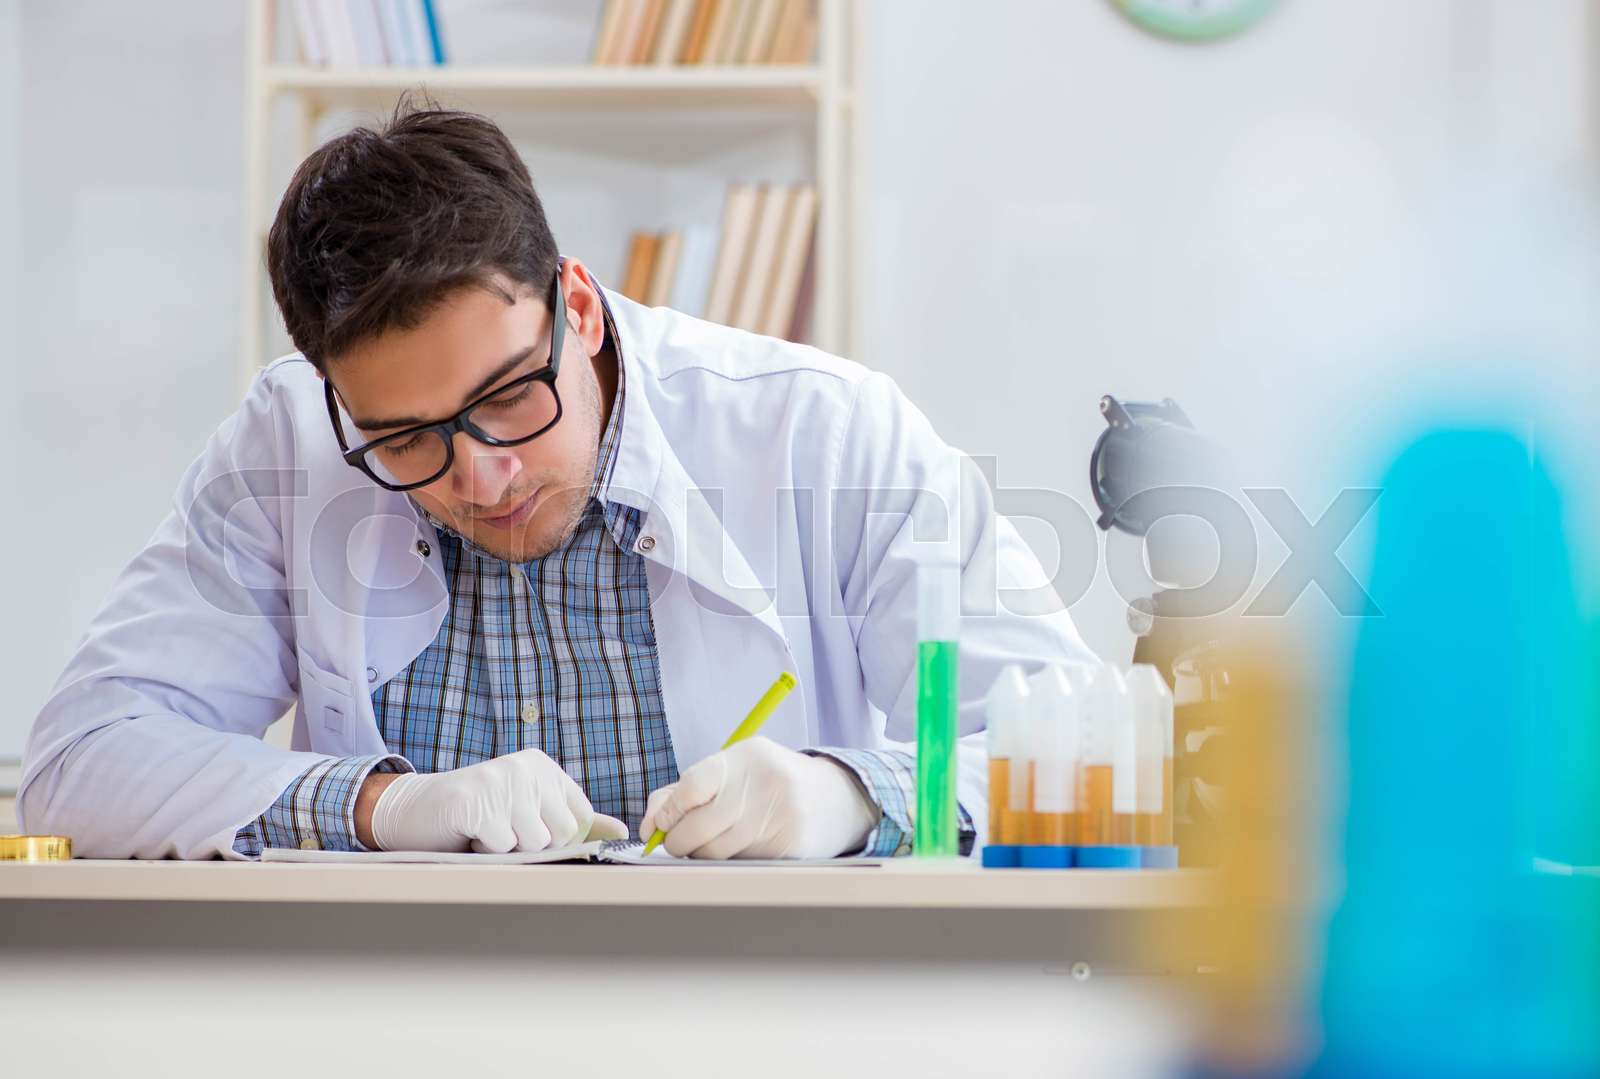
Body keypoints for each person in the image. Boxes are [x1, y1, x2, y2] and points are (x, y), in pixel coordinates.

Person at [19, 105, 1095, 860]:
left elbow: (1078, 754)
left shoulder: (827, 428)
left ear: (575, 306)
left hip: (764, 1010)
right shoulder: (288, 443)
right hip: (386, 1014)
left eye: (508, 398)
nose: (481, 476)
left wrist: (852, 793)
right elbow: (84, 758)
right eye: (404, 439)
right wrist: (383, 806)